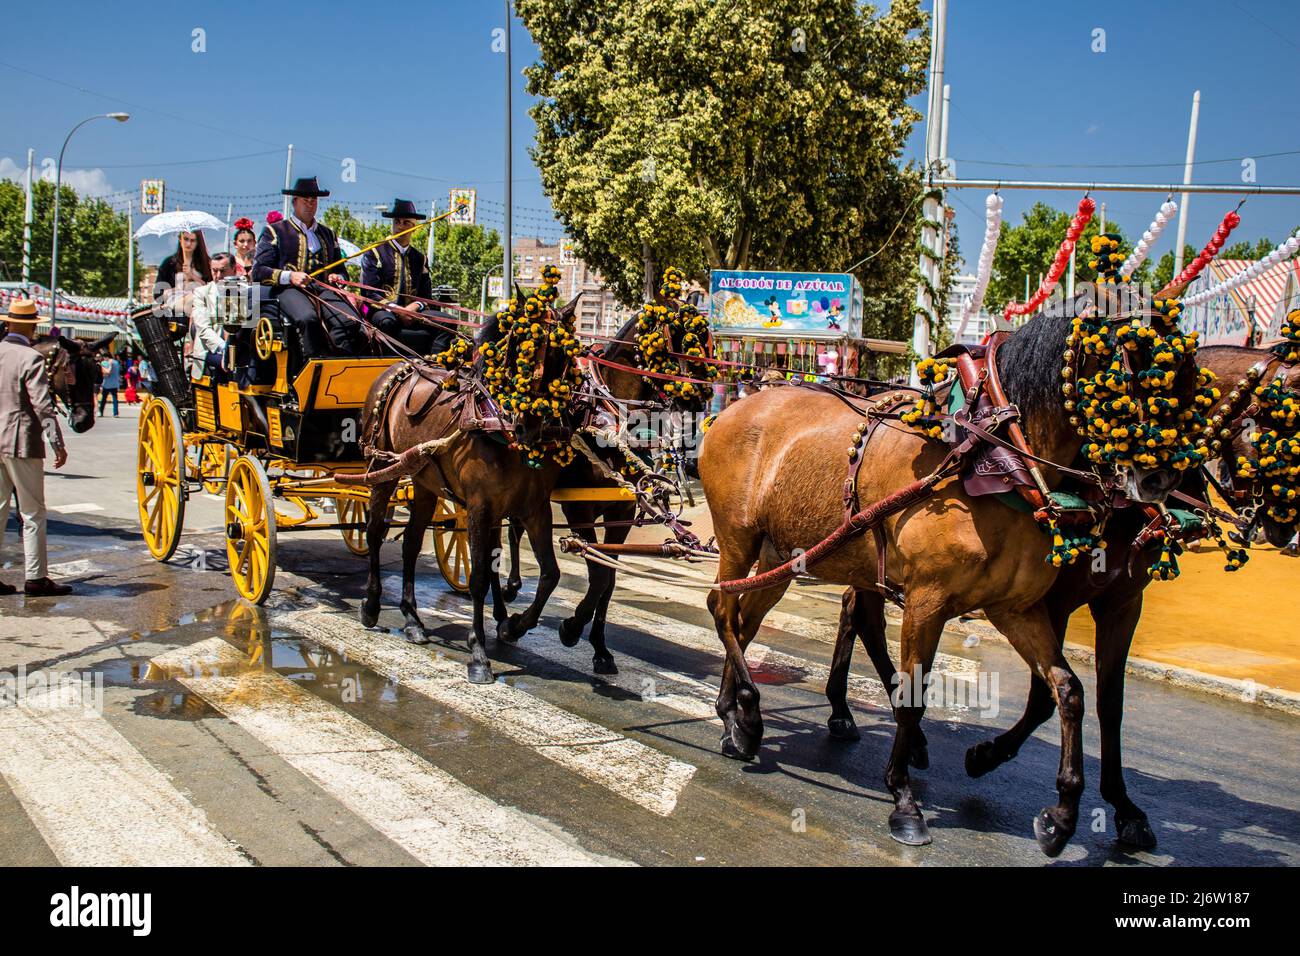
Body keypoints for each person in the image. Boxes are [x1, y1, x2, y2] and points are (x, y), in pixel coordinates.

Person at [0, 299, 72, 597]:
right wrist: (57, 442)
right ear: (31, 327)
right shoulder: (30, 358)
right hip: (21, 441)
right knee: (32, 512)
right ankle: (36, 577)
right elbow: (43, 407)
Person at [251, 176, 364, 357]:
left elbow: (341, 270)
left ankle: (336, 360)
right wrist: (290, 276)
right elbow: (258, 272)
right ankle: (310, 365)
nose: (310, 205)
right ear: (295, 202)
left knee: (350, 320)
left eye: (314, 201)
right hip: (288, 289)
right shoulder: (275, 231)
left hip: (323, 289)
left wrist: (338, 278)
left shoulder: (327, 234)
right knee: (308, 319)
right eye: (306, 200)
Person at [359, 198, 445, 356]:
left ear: (414, 227)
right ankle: (388, 369)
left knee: (447, 322)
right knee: (387, 322)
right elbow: (369, 294)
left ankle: (433, 365)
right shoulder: (375, 252)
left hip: (414, 312)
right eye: (397, 221)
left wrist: (415, 307)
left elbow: (426, 296)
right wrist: (398, 310)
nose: (400, 226)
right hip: (383, 311)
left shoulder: (420, 258)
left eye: (406, 222)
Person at [189, 252, 240, 380]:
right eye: (214, 271)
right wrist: (225, 348)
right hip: (211, 349)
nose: (218, 276)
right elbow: (203, 328)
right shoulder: (201, 293)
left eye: (223, 271)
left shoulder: (244, 290)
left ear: (234, 270)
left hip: (238, 348)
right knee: (230, 363)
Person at [155, 230, 214, 318]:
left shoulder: (206, 263)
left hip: (200, 303)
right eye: (186, 239)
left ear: (198, 242)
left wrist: (192, 275)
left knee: (193, 299)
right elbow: (158, 293)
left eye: (193, 240)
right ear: (180, 239)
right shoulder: (169, 263)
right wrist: (175, 290)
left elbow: (211, 287)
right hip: (176, 305)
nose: (189, 244)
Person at [99, 351, 121, 416]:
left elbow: (106, 373)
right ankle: (115, 413)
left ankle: (101, 412)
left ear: (105, 357)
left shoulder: (105, 363)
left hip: (106, 383)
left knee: (103, 399)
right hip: (115, 383)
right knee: (115, 399)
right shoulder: (116, 362)